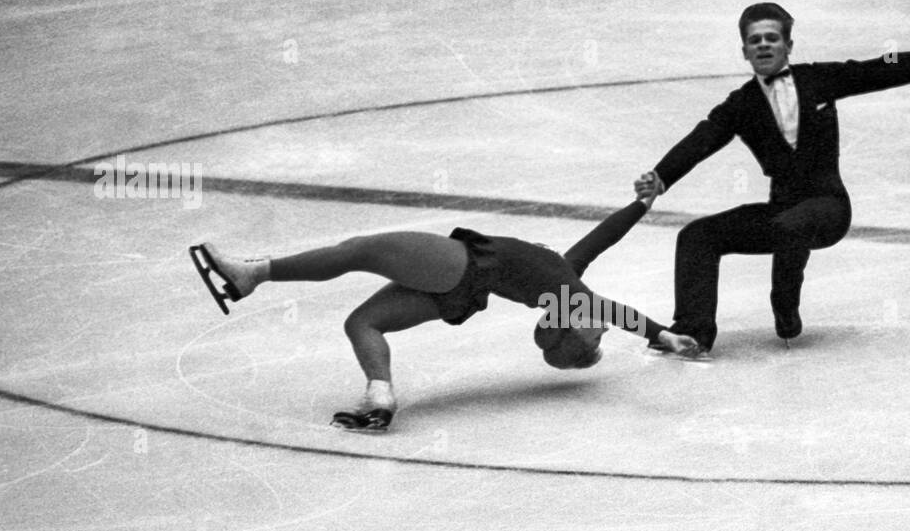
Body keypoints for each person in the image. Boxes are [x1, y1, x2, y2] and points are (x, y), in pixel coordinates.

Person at [635, 2, 910, 352]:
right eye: (755, 39)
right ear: (744, 51)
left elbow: (883, 66)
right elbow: (702, 139)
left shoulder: (820, 78)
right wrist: (660, 177)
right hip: (782, 210)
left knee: (790, 227)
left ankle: (784, 305)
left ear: (788, 46)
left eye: (772, 38)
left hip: (828, 208)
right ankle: (692, 332)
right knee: (697, 236)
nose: (763, 44)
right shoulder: (741, 104)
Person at [189, 185, 697, 431]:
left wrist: (659, 333)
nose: (601, 328)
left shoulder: (569, 298)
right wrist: (642, 206)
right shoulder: (563, 285)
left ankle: (252, 273)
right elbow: (601, 242)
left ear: (572, 327)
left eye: (595, 334)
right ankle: (380, 397)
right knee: (362, 323)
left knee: (360, 250)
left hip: (463, 267)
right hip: (462, 294)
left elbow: (617, 308)